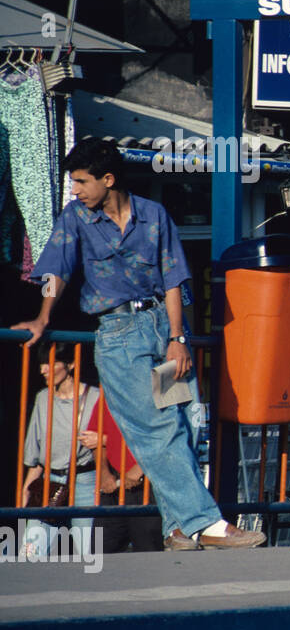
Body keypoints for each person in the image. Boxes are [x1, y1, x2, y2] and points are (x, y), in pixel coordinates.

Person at [12, 139, 263, 551]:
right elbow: (56, 269)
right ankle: (207, 523)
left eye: (81, 181)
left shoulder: (153, 214)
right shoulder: (74, 217)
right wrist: (43, 316)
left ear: (108, 179)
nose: (74, 189)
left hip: (161, 329)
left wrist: (177, 339)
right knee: (156, 429)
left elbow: (172, 278)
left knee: (184, 423)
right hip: (117, 336)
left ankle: (177, 529)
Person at [20, 343, 100, 558]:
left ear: (71, 364)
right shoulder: (43, 398)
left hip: (86, 481)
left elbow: (123, 437)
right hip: (50, 481)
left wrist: (103, 439)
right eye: (41, 364)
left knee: (88, 555)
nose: (42, 369)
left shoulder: (96, 397)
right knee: (30, 554)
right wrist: (26, 488)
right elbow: (35, 453)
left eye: (50, 363)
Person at [81, 391, 163, 553]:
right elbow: (96, 439)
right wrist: (104, 474)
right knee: (100, 554)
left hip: (149, 485)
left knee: (149, 557)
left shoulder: (157, 389)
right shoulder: (110, 392)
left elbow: (166, 436)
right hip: (113, 486)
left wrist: (138, 470)